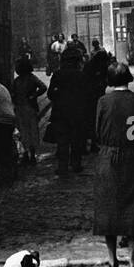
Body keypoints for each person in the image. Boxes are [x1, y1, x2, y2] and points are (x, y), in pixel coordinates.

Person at [94, 63, 134, 267]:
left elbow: (98, 131)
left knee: (108, 207)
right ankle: (133, 261)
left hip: (107, 157)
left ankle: (112, 261)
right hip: (130, 156)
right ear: (129, 78)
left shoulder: (103, 102)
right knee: (132, 205)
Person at [47, 43, 86, 176]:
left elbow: (50, 94)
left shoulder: (58, 74)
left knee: (62, 141)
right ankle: (76, 164)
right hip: (77, 113)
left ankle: (62, 167)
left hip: (60, 113)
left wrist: (60, 96)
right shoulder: (81, 75)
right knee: (77, 140)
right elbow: (88, 95)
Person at [12, 57, 47, 164]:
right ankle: (30, 154)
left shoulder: (18, 80)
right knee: (30, 131)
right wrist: (34, 96)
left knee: (24, 131)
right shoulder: (32, 78)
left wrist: (33, 96)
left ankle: (28, 154)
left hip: (22, 107)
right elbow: (43, 87)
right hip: (28, 107)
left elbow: (43, 87)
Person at [83, 38, 111, 153]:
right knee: (93, 118)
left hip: (93, 95)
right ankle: (92, 142)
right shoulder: (97, 66)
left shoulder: (94, 64)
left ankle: (90, 143)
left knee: (91, 119)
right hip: (91, 96)